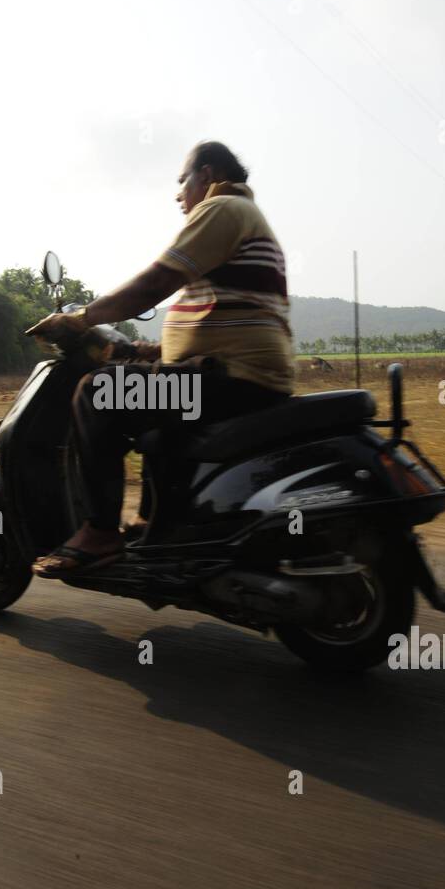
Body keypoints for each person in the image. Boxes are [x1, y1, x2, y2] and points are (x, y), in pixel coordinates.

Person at [28, 140, 295, 577]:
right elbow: (222, 315)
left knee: (97, 395)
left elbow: (154, 285)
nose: (178, 194)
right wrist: (142, 351)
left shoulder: (222, 208)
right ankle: (157, 524)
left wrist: (82, 318)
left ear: (206, 176)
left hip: (233, 378)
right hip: (235, 374)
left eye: (182, 181)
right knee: (151, 393)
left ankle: (99, 534)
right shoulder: (243, 217)